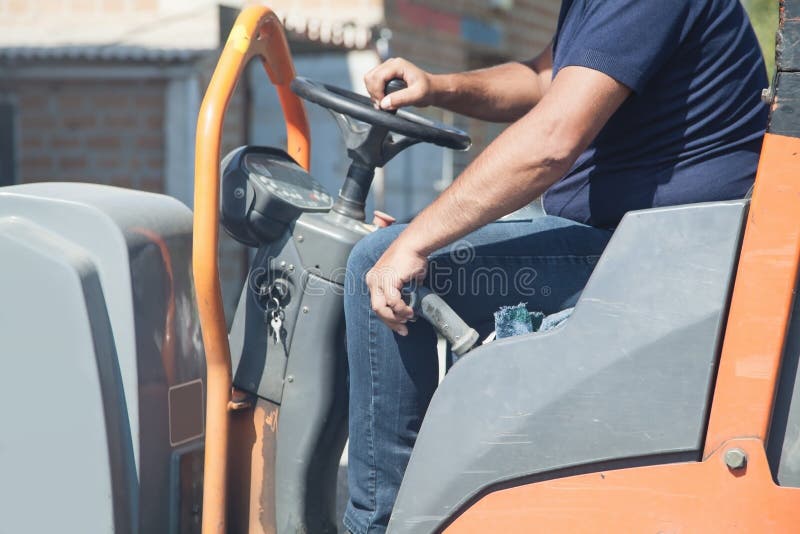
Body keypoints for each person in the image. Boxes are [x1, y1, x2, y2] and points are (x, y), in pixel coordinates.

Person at [343, 0, 769, 532]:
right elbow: (545, 78)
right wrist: (438, 86)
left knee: (379, 263)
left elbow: (551, 141)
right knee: (399, 249)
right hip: (630, 241)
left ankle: (380, 523)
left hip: (664, 256)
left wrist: (415, 240)